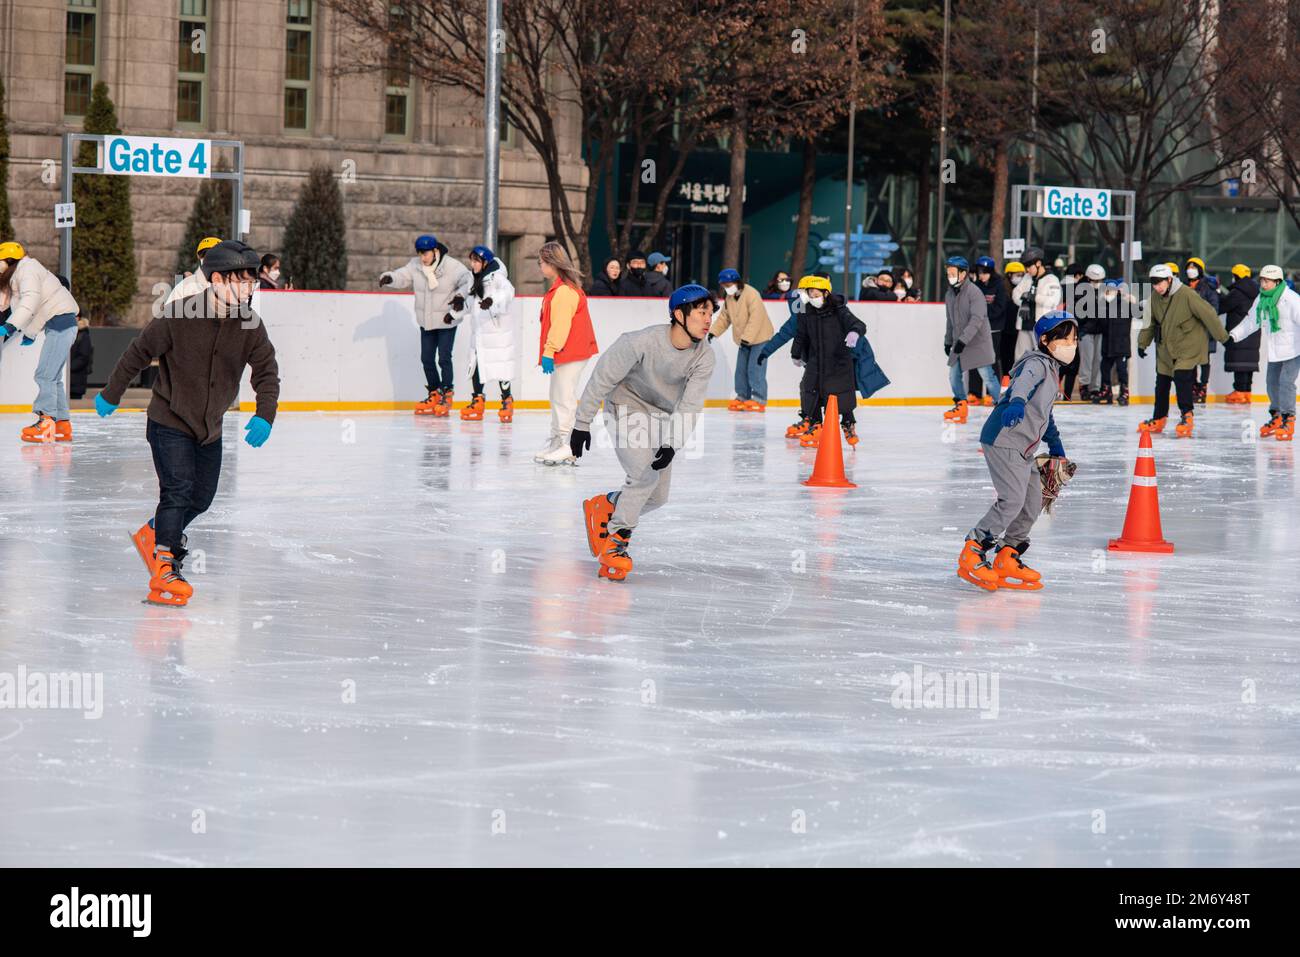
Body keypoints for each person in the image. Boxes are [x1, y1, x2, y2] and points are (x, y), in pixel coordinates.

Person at [94, 240, 280, 607]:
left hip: (209, 427)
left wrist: (265, 413)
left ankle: (154, 533)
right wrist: (112, 392)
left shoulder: (250, 325)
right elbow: (138, 352)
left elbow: (267, 372)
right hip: (169, 419)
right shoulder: (179, 314)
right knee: (177, 490)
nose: (247, 289)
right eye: (240, 281)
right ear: (217, 280)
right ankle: (165, 564)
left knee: (202, 497)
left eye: (251, 283)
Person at [568, 283, 716, 581]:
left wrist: (672, 444)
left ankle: (607, 504)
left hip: (661, 416)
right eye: (701, 312)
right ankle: (616, 544)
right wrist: (581, 424)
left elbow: (689, 405)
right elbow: (601, 378)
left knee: (658, 496)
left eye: (711, 313)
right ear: (679, 314)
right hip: (625, 406)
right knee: (644, 477)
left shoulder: (704, 357)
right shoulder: (640, 341)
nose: (708, 319)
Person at [958, 310, 1076, 592]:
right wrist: (1017, 403)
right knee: (1012, 500)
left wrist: (1055, 443)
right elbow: (1021, 386)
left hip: (1024, 446)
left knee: (1032, 502)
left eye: (1075, 339)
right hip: (1003, 438)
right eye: (1067, 339)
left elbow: (1045, 413)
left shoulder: (1052, 370)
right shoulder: (1036, 363)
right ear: (1046, 340)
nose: (1072, 345)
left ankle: (1007, 555)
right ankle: (973, 550)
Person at [379, 234, 472, 416]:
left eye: (426, 253)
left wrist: (460, 297)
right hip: (427, 321)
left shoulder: (452, 266)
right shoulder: (415, 265)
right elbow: (402, 276)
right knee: (426, 359)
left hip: (446, 320)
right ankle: (434, 393)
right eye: (420, 253)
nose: (423, 258)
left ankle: (447, 393)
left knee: (444, 358)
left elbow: (467, 281)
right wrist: (390, 278)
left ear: (435, 250)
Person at [0, 242, 81, 443]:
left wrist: (10, 326)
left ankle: (45, 421)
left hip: (61, 324)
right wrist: (31, 333)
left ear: (9, 260)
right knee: (54, 377)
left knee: (44, 375)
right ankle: (62, 424)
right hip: (60, 323)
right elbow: (39, 308)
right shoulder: (21, 273)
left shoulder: (27, 271)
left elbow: (30, 304)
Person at [1136, 263, 1229, 438]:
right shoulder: (1154, 298)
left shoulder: (1187, 294)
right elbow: (1149, 323)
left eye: (1160, 282)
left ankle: (1187, 416)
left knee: (1182, 378)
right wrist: (1142, 344)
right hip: (1165, 348)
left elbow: (1208, 313)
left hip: (1188, 345)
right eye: (1154, 283)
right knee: (1162, 383)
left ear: (1169, 280)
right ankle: (1159, 418)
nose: (1157, 286)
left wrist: (1223, 338)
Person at [783, 274, 867, 447]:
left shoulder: (839, 309)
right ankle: (816, 426)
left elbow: (858, 324)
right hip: (816, 360)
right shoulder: (805, 312)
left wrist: (854, 333)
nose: (813, 298)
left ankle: (848, 424)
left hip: (839, 360)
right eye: (810, 295)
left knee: (841, 393)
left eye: (816, 294)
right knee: (809, 390)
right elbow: (801, 335)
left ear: (826, 293)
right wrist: (795, 353)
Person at [536, 241, 599, 464]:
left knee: (564, 398)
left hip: (569, 351)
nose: (540, 266)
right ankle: (557, 440)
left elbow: (560, 325)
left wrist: (549, 351)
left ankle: (568, 444)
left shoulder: (564, 291)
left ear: (553, 263)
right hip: (567, 351)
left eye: (542, 262)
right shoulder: (561, 288)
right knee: (558, 397)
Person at [1228, 264, 1299, 441]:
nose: (1263, 283)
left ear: (1277, 281)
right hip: (1275, 349)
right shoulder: (1262, 299)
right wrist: (1234, 335)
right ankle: (1276, 415)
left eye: (1267, 280)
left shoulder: (1291, 299)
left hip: (1294, 349)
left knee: (1286, 382)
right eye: (1262, 280)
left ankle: (1288, 418)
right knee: (1271, 383)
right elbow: (1252, 321)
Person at [448, 245, 516, 423]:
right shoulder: (474, 278)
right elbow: (472, 303)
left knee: (501, 366)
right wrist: (455, 312)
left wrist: (492, 301)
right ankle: (478, 400)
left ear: (485, 262)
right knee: (476, 366)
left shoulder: (497, 276)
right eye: (471, 260)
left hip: (497, 332)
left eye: (476, 261)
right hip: (479, 333)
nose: (473, 264)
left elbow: (508, 292)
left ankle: (507, 401)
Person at [942, 256, 1001, 423]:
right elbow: (950, 320)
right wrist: (948, 341)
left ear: (963, 274)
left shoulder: (975, 292)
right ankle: (961, 405)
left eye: (953, 273)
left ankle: (1001, 406)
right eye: (948, 273)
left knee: (987, 376)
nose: (950, 276)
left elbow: (977, 319)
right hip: (959, 342)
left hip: (977, 343)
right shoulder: (949, 294)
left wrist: (962, 341)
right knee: (954, 375)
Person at [710, 267, 773, 411]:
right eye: (724, 286)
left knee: (755, 369)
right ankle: (742, 396)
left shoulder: (751, 294)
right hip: (744, 340)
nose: (727, 288)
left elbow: (756, 318)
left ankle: (759, 399)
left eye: (728, 285)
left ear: (737, 282)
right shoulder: (729, 298)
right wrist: (713, 332)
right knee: (741, 369)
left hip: (760, 338)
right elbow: (724, 318)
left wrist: (746, 338)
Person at [1011, 248, 1062, 361]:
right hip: (1024, 324)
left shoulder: (1051, 279)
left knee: (1042, 359)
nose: (1027, 270)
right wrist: (1024, 301)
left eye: (1029, 266)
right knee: (1020, 359)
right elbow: (1015, 294)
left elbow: (1053, 300)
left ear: (1038, 263)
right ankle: (1021, 379)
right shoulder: (1027, 278)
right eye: (1026, 267)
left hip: (1041, 327)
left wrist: (1034, 298)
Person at [1220, 264, 1260, 403]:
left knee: (1240, 362)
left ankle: (1239, 392)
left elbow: (1221, 306)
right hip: (1254, 333)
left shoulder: (1237, 292)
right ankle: (1247, 391)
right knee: (1248, 363)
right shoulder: (1257, 292)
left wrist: (1218, 294)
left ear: (1236, 276)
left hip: (1239, 332)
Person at [972, 256, 1009, 400]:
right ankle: (974, 392)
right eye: (980, 272)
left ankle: (991, 393)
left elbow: (1000, 307)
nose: (981, 276)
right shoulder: (976, 285)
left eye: (984, 272)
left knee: (991, 360)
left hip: (994, 329)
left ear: (991, 272)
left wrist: (983, 311)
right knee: (975, 359)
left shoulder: (999, 285)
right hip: (978, 328)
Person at [1183, 256, 1220, 404]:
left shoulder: (1207, 287)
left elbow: (1214, 308)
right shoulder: (1184, 286)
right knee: (1190, 361)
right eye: (1188, 267)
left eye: (1193, 267)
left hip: (1205, 330)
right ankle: (1193, 385)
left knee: (1204, 360)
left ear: (1199, 270)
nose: (1190, 270)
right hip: (1188, 331)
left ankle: (1203, 386)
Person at [1096, 278, 1137, 406]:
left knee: (1121, 370)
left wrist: (1133, 302)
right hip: (1108, 345)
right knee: (1105, 367)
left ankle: (1124, 392)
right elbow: (1101, 324)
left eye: (1110, 291)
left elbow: (1139, 313)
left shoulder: (1125, 305)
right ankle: (1106, 390)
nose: (1108, 294)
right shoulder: (1103, 306)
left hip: (1121, 345)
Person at [1074, 264, 1107, 401]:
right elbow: (1078, 312)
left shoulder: (1104, 291)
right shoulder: (1079, 291)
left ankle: (1095, 387)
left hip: (1099, 331)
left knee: (1098, 360)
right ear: (1088, 279)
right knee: (1086, 360)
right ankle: (1084, 385)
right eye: (1095, 280)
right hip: (1085, 331)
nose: (1097, 284)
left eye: (1100, 281)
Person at [164, 236, 221, 309]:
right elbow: (168, 313)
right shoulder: (185, 286)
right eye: (204, 254)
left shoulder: (231, 285)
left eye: (215, 255)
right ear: (198, 256)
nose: (209, 259)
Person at [999, 261, 1026, 380]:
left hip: (1019, 329)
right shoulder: (1002, 289)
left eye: (1021, 275)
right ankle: (1006, 384)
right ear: (1009, 275)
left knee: (1018, 358)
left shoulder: (1024, 288)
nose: (1019, 277)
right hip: (1005, 331)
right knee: (1006, 359)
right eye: (1016, 274)